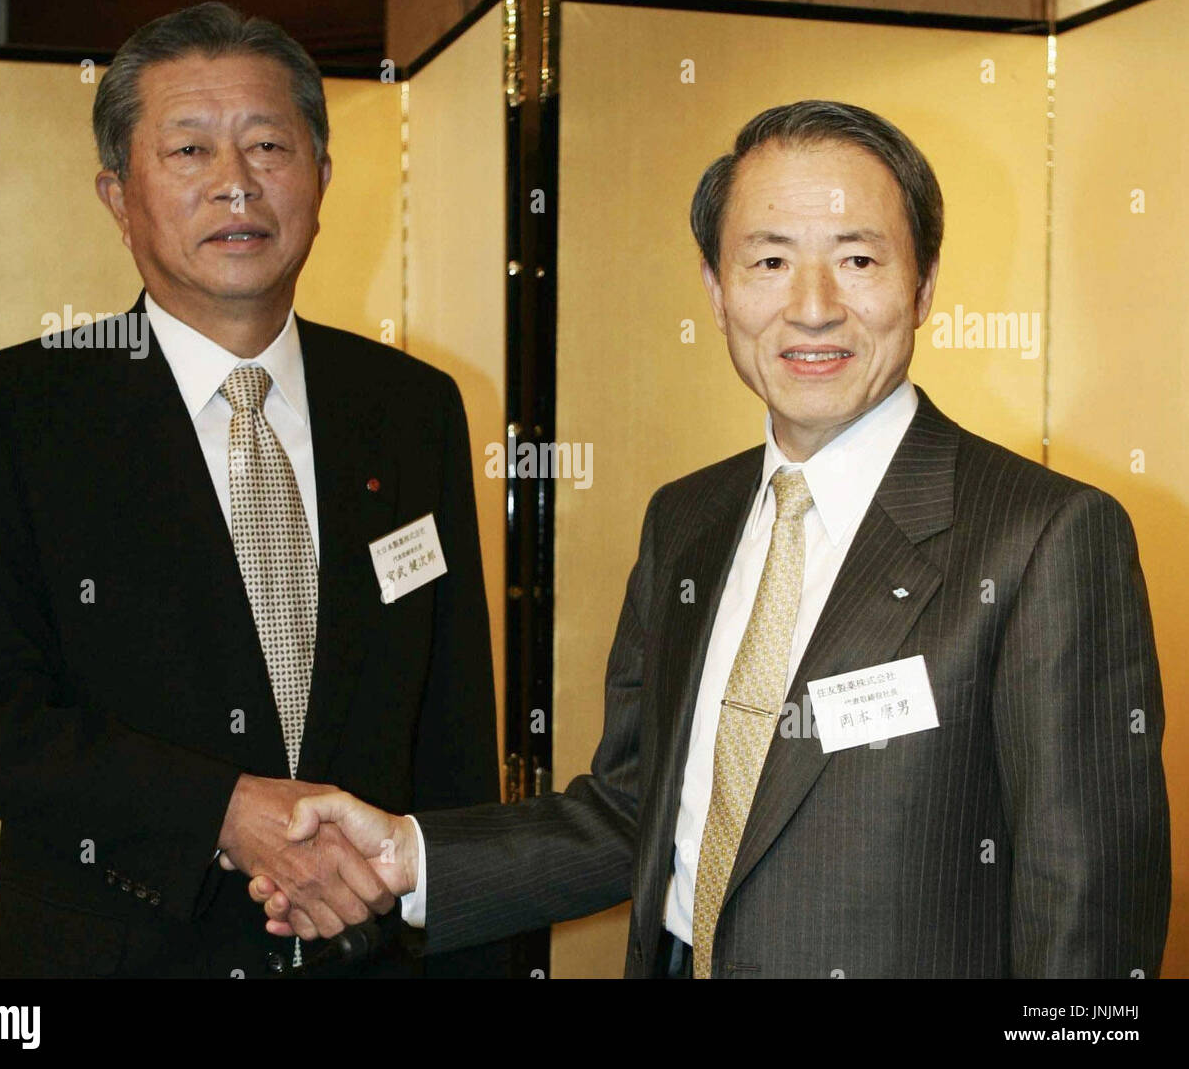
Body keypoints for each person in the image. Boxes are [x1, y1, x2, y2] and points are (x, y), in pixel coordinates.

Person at [249, 100, 1172, 979]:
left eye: (858, 260)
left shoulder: (1045, 536)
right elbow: (637, 809)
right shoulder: (687, 519)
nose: (812, 307)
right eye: (768, 262)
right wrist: (410, 854)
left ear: (925, 284)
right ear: (716, 290)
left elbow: (1087, 907)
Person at [0, 1, 501, 978]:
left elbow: (454, 734)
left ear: (319, 177)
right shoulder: (9, 412)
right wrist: (224, 812)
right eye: (188, 151)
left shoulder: (411, 408)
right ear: (117, 192)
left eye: (269, 144)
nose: (235, 184)